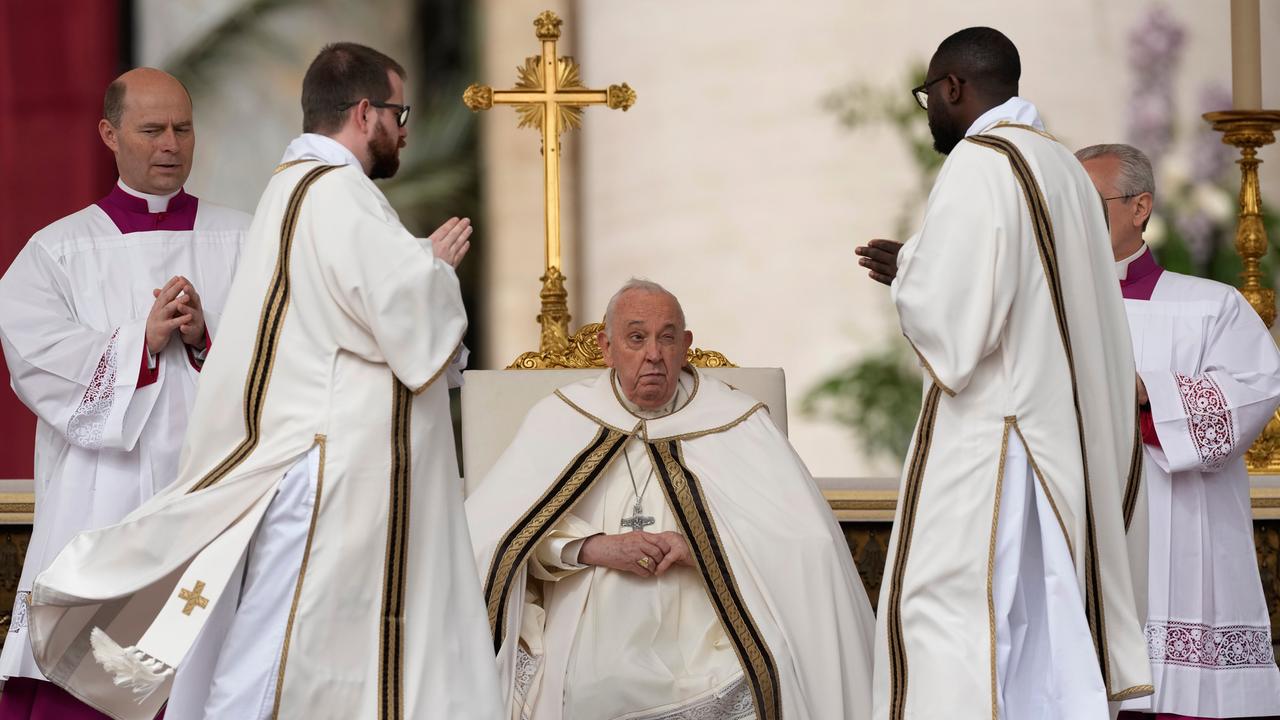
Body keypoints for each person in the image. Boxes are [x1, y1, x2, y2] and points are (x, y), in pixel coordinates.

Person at [25, 43, 502, 720]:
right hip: (330, 468)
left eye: (181, 129)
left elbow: (333, 319)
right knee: (285, 647)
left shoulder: (284, 192)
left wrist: (414, 267)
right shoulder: (336, 193)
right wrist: (432, 269)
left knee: (290, 641)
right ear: (365, 113)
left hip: (307, 457)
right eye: (398, 113)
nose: (405, 130)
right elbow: (412, 332)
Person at [853, 27, 1152, 719]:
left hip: (997, 440)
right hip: (1059, 442)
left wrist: (910, 278)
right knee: (1038, 631)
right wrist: (924, 265)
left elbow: (960, 325)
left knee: (949, 614)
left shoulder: (982, 162)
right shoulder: (1065, 170)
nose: (928, 110)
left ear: (954, 87)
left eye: (930, 94)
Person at [466, 279, 876, 720]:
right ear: (607, 347)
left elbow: (806, 543)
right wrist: (590, 546)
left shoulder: (737, 421)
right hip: (591, 613)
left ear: (686, 346)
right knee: (597, 686)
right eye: (636, 338)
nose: (654, 355)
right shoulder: (561, 417)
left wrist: (698, 547)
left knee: (752, 670)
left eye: (667, 338)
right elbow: (496, 533)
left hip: (712, 618)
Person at [0, 67, 248, 720]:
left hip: (212, 504)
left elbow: (288, 354)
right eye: (151, 129)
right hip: (101, 504)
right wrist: (137, 345)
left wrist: (203, 339)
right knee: (93, 686)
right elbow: (34, 357)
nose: (170, 144)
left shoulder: (247, 238)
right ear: (110, 134)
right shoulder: (57, 251)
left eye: (183, 128)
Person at [1078, 142, 1280, 720]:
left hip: (1178, 526)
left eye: (1090, 202)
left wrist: (1148, 394)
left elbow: (1255, 389)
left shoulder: (1208, 306)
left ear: (1140, 207)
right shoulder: (1043, 308)